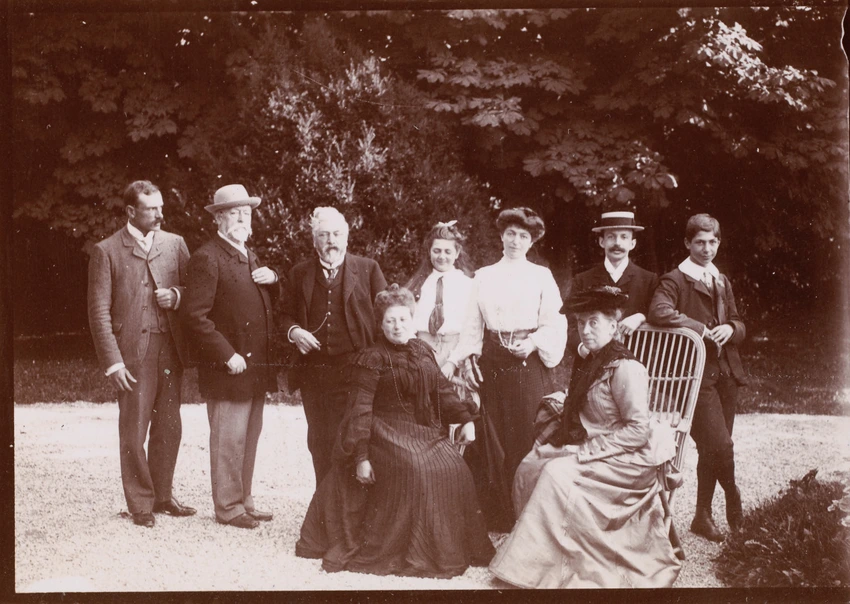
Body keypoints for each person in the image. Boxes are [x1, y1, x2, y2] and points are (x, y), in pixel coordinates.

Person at [295, 285, 495, 578]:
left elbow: (442, 389)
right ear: (381, 324)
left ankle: (449, 546)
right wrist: (361, 457)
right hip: (381, 431)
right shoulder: (372, 358)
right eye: (390, 321)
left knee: (455, 467)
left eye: (402, 319)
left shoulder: (422, 352)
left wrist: (466, 420)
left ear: (412, 320)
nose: (397, 326)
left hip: (419, 429)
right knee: (416, 469)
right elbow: (360, 409)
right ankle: (415, 548)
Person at [489, 286, 681, 588]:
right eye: (581, 323)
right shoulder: (592, 360)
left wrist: (589, 451)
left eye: (594, 322)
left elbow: (637, 429)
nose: (586, 330)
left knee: (556, 473)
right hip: (593, 443)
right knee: (530, 465)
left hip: (625, 456)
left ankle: (565, 563)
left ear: (613, 326)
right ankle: (541, 557)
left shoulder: (626, 368)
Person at [447, 207, 567, 530]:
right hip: (493, 362)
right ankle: (496, 515)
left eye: (524, 236)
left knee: (526, 434)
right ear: (501, 235)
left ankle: (527, 518)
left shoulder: (541, 276)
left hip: (528, 363)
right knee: (491, 436)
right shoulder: (484, 276)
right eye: (511, 234)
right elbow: (472, 325)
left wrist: (533, 343)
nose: (516, 241)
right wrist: (462, 359)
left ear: (532, 241)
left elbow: (555, 321)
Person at [88, 180, 195, 528]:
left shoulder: (176, 244)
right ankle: (140, 503)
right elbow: (98, 312)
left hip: (170, 351)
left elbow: (195, 292)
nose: (161, 213)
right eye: (152, 208)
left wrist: (176, 296)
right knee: (134, 430)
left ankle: (163, 497)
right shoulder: (106, 251)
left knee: (170, 427)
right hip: (132, 354)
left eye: (161, 206)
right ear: (131, 211)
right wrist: (113, 362)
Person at [180, 184, 279, 530]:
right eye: (234, 212)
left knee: (248, 437)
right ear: (218, 218)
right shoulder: (208, 257)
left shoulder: (247, 252)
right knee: (228, 439)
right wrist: (227, 355)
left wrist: (274, 279)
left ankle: (244, 499)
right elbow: (195, 315)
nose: (242, 218)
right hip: (230, 368)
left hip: (253, 368)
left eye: (246, 213)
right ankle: (227, 506)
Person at [649, 213, 746, 542]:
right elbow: (660, 311)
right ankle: (733, 496)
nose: (707, 248)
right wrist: (701, 329)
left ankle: (702, 515)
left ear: (719, 243)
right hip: (694, 377)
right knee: (720, 444)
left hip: (726, 374)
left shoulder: (721, 279)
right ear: (687, 243)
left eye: (713, 242)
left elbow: (738, 322)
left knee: (714, 449)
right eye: (700, 242)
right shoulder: (675, 279)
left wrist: (731, 328)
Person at [279, 207, 387, 489]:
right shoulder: (300, 272)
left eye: (337, 234)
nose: (331, 241)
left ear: (347, 238)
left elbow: (385, 314)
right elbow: (282, 315)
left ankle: (351, 509)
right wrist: (295, 331)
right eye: (324, 235)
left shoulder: (367, 268)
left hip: (355, 370)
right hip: (314, 373)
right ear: (314, 241)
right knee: (319, 439)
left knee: (354, 438)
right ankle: (324, 510)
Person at [567, 210, 659, 356]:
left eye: (624, 237)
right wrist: (583, 349)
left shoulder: (648, 280)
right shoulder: (583, 279)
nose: (617, 243)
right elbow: (570, 323)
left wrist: (641, 317)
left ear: (632, 243)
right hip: (591, 360)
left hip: (635, 358)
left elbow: (657, 316)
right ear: (601, 242)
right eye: (611, 237)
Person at [404, 220, 474, 382]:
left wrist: (452, 362)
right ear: (429, 252)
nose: (442, 257)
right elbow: (407, 323)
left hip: (455, 355)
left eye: (448, 252)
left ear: (457, 254)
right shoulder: (418, 284)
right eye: (436, 251)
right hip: (421, 352)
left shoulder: (468, 285)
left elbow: (471, 330)